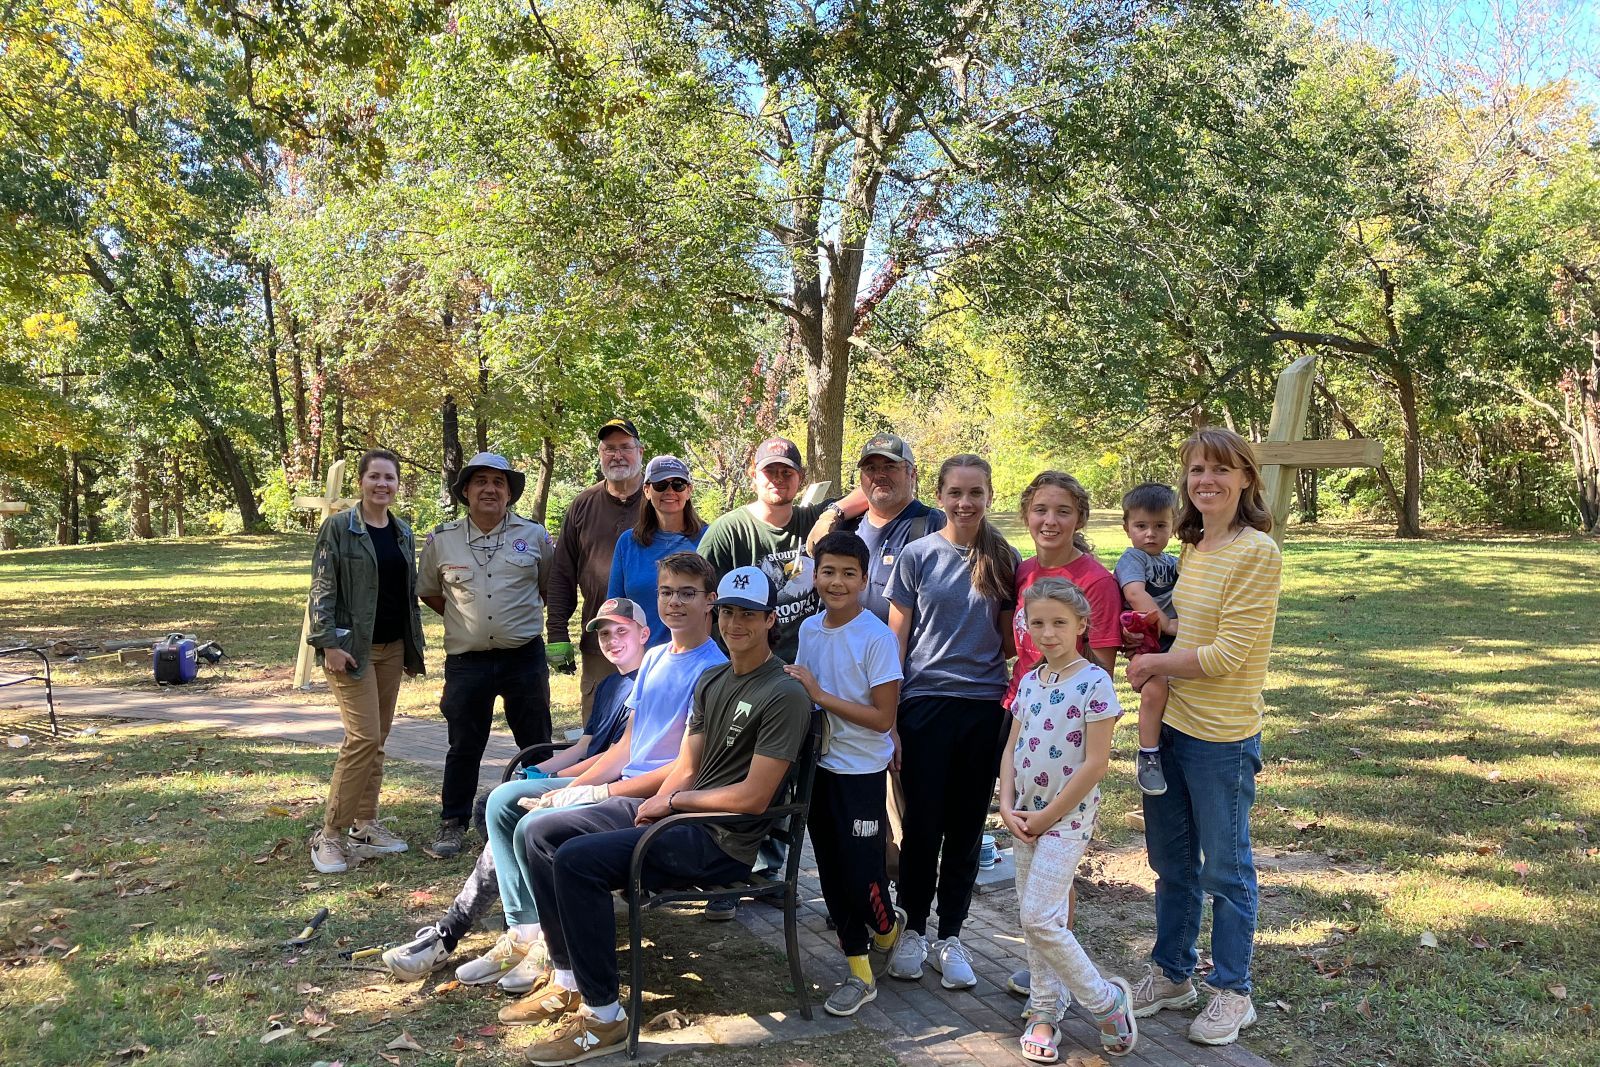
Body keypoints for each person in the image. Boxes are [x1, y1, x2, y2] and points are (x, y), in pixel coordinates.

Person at [507, 566, 812, 1066]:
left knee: (577, 861)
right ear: (718, 613)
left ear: (769, 620)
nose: (736, 624)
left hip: (722, 842)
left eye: (749, 615)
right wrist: (649, 810)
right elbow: (688, 765)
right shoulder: (713, 679)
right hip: (681, 822)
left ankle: (603, 1018)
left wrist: (670, 806)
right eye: (730, 612)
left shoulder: (783, 692)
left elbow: (755, 798)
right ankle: (568, 980)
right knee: (542, 836)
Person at [457, 554, 728, 992]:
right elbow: (625, 746)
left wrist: (598, 793)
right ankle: (524, 931)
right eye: (666, 591)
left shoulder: (713, 670)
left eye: (687, 593)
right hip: (620, 781)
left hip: (648, 795)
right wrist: (572, 787)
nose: (674, 602)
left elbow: (683, 768)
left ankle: (552, 946)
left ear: (709, 601)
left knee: (534, 826)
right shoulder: (656, 658)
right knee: (507, 801)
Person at [380, 598, 648, 981]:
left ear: (644, 634)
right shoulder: (609, 686)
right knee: (494, 805)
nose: (612, 640)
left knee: (509, 812)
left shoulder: (650, 683)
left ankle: (465, 933)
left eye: (622, 631)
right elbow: (584, 746)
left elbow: (616, 758)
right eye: (605, 633)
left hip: (607, 790)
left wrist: (560, 785)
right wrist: (536, 770)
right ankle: (506, 928)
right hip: (589, 776)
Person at [1125, 428, 1282, 1046]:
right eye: (1196, 470)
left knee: (1227, 869)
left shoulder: (1256, 552)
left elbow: (1226, 656)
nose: (1206, 481)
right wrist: (1152, 642)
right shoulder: (1194, 546)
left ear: (1245, 478)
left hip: (1221, 738)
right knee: (1169, 863)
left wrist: (1157, 665)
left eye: (1220, 469)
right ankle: (1172, 974)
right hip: (1170, 727)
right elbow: (1186, 632)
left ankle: (1233, 991)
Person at [884, 454, 1018, 990]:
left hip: (984, 708)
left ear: (989, 496)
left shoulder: (1003, 557)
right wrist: (890, 719)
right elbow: (896, 640)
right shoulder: (917, 555)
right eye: (956, 492)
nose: (966, 503)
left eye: (976, 493)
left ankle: (951, 937)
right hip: (924, 705)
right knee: (921, 826)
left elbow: (1011, 639)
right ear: (939, 495)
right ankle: (913, 929)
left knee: (965, 828)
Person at [1001, 578, 1138, 1062]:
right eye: (1037, 623)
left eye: (1059, 623)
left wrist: (1045, 818)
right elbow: (1012, 747)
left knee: (1037, 916)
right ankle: (1044, 1012)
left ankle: (1105, 1003)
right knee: (1040, 918)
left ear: (1081, 625)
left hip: (1065, 820)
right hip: (1024, 817)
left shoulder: (1095, 682)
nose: (1048, 633)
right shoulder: (1032, 681)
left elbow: (1095, 763)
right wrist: (1007, 804)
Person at [784, 531, 906, 1017]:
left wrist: (818, 693)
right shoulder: (810, 630)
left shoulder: (876, 636)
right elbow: (803, 695)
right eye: (828, 571)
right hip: (821, 769)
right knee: (831, 872)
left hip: (861, 773)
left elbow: (882, 718)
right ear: (815, 576)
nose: (837, 582)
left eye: (848, 573)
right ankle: (859, 971)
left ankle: (888, 927)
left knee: (863, 873)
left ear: (864, 579)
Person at [417, 452, 555, 857]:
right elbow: (430, 592)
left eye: (499, 482)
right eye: (481, 482)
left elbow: (547, 589)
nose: (490, 489)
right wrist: (470, 622)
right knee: (463, 744)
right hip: (467, 662)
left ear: (510, 492)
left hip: (523, 657)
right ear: (465, 492)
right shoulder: (441, 540)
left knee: (536, 742)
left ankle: (541, 816)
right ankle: (452, 823)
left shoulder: (534, 536)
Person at [306, 448, 427, 874]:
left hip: (391, 648)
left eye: (389, 478)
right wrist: (327, 643)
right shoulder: (340, 527)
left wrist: (413, 648)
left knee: (377, 739)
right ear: (361, 481)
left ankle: (365, 824)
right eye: (374, 476)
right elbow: (322, 587)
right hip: (350, 650)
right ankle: (330, 835)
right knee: (362, 738)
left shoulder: (403, 532)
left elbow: (407, 595)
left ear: (397, 484)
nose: (382, 485)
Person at [698, 436, 865, 664]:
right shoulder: (727, 532)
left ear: (801, 478)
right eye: (769, 471)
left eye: (787, 472)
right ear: (753, 476)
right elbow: (701, 605)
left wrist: (831, 513)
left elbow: (869, 489)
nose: (778, 479)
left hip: (811, 666)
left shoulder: (812, 520)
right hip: (747, 667)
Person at [547, 418, 646, 717]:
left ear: (641, 451)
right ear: (600, 454)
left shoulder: (661, 500)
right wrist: (557, 634)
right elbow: (562, 573)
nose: (617, 455)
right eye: (609, 448)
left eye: (625, 447)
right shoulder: (583, 504)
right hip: (602, 643)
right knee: (598, 732)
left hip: (656, 641)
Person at [1114, 483, 1182, 797]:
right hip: (1149, 639)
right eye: (1141, 526)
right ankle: (1148, 753)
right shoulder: (1133, 559)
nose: (1150, 534)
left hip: (1176, 639)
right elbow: (1134, 593)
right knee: (1156, 689)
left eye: (1160, 526)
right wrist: (1166, 624)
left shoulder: (1173, 562)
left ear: (1174, 526)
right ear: (1127, 528)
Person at [607, 455, 707, 647]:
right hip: (641, 659)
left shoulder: (708, 538)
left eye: (678, 484)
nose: (670, 491)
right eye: (660, 485)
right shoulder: (628, 542)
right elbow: (616, 608)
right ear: (646, 490)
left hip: (696, 659)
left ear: (689, 490)